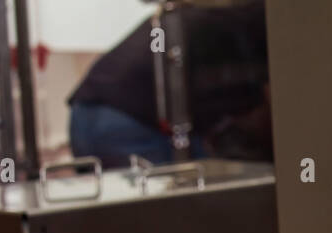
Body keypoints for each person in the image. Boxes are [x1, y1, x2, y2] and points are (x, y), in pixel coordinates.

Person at [68, 0, 269, 168]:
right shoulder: (263, 26)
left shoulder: (237, 16)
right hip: (124, 121)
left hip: (89, 112)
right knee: (192, 203)